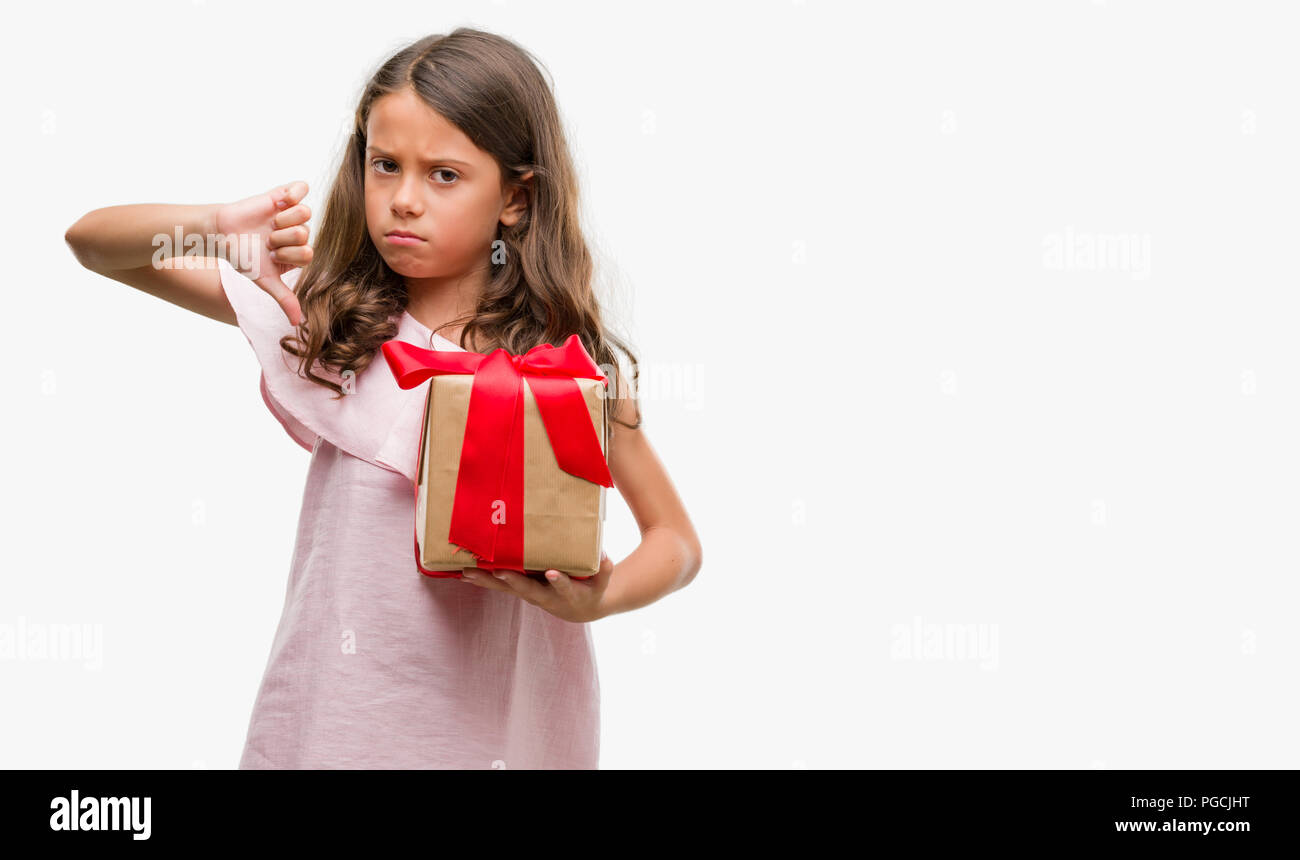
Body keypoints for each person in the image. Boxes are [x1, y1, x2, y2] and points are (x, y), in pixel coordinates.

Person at [64, 28, 702, 769]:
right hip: (335, 729)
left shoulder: (562, 371)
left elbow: (678, 543)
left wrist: (606, 593)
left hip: (500, 741)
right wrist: (212, 229)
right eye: (385, 165)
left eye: (444, 176)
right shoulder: (329, 322)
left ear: (517, 200)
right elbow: (94, 244)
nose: (403, 200)